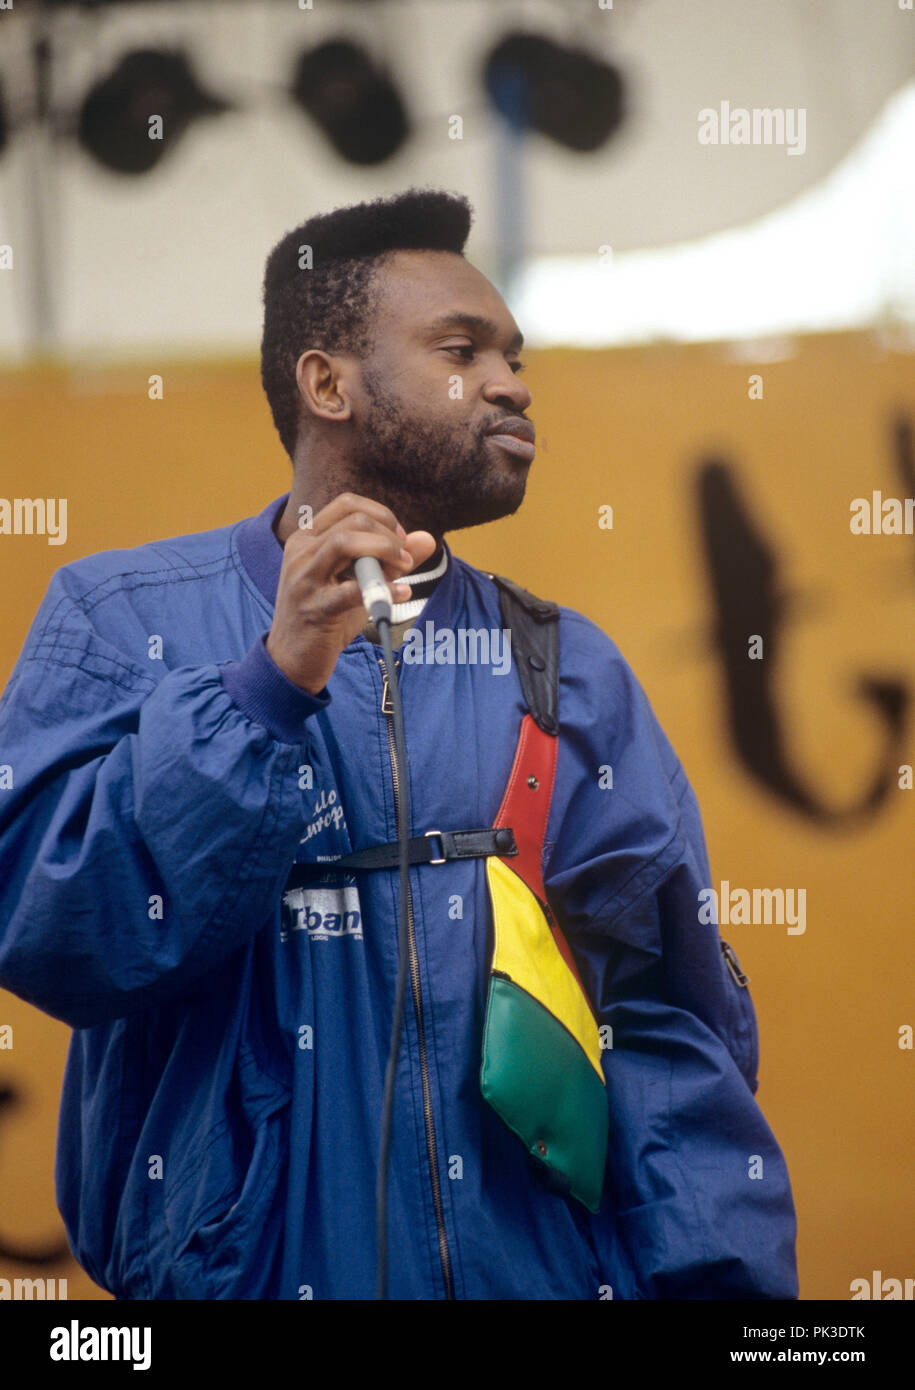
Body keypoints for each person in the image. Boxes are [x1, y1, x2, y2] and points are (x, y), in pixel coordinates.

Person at [0, 188, 797, 1300]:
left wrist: (723, 1291)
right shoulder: (115, 615)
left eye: (515, 355)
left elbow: (665, 1026)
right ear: (327, 383)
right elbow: (52, 932)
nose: (514, 383)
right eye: (462, 349)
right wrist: (269, 685)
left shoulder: (573, 667)